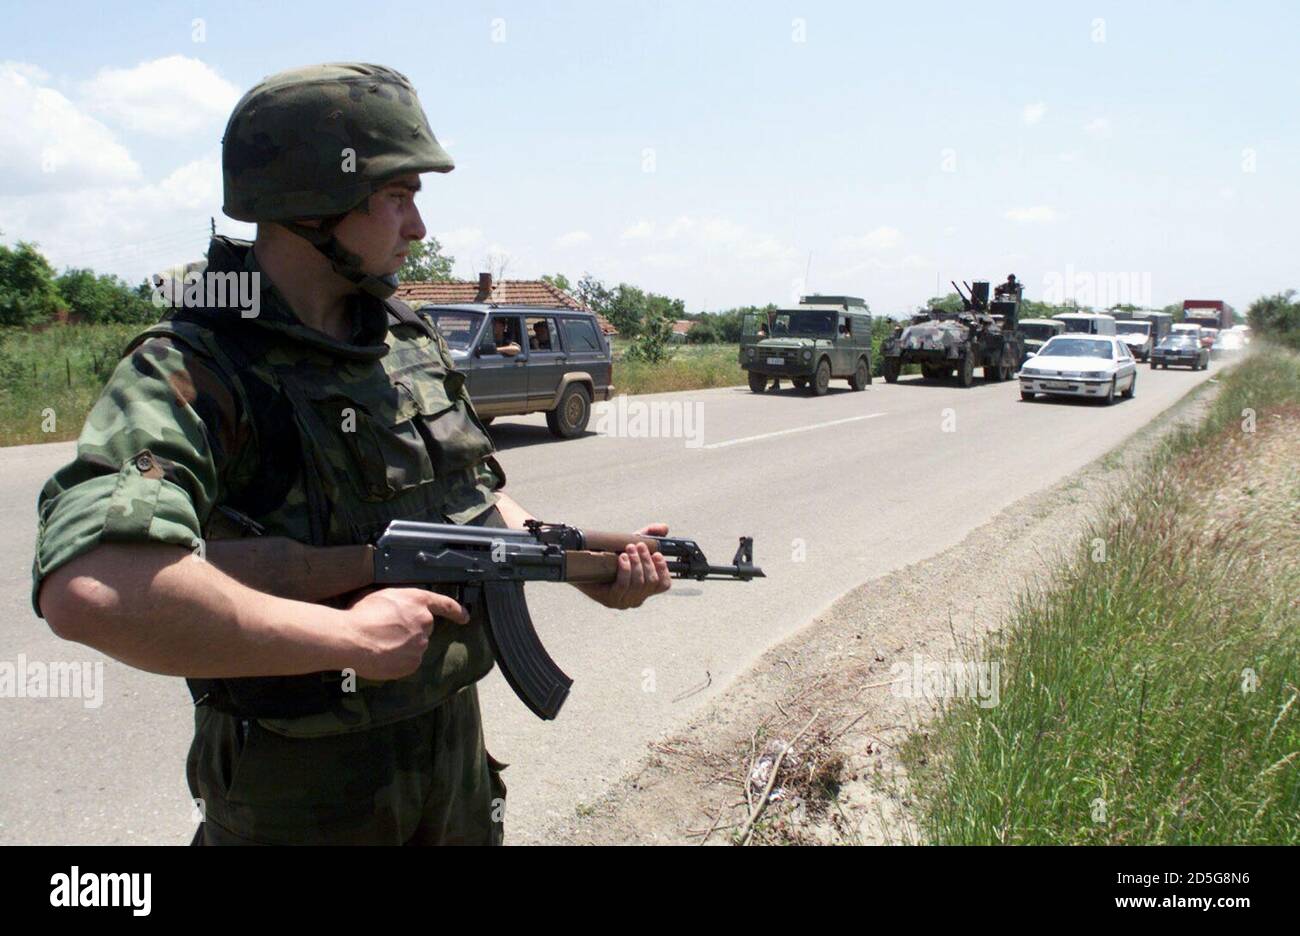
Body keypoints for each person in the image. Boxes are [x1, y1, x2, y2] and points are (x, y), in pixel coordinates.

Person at [32, 62, 670, 846]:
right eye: (398, 197)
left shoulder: (402, 337)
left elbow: (474, 507)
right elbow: (92, 590)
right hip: (304, 793)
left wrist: (585, 565)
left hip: (453, 764)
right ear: (316, 204)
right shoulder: (197, 366)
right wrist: (348, 640)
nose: (418, 229)